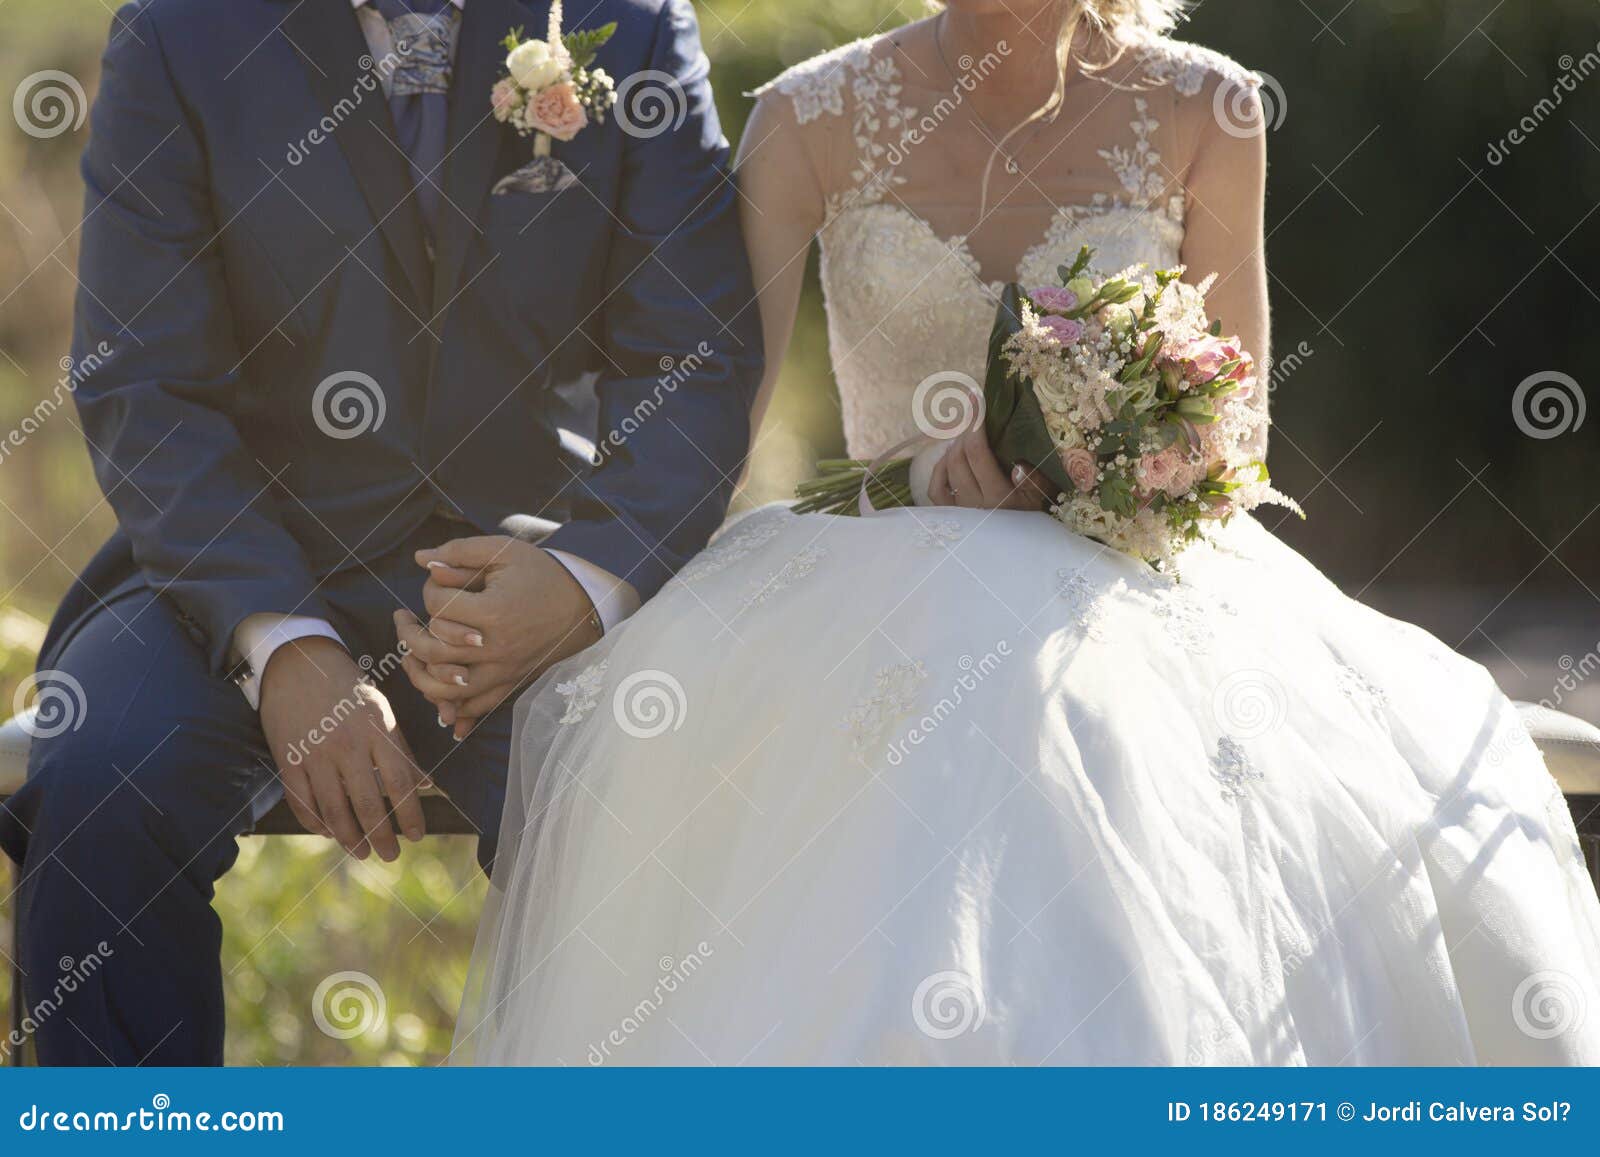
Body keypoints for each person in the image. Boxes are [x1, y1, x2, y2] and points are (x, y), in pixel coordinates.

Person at [441, 0, 1600, 1064]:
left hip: (1141, 567)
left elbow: (1236, 436)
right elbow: (714, 432)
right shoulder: (805, 117)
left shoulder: (1211, 109)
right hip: (872, 555)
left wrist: (1113, 464)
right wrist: (600, 571)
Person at [0, 0, 761, 1065]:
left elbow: (701, 356)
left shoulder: (623, 23)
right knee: (102, 778)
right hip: (234, 567)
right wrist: (283, 640)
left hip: (524, 571)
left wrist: (583, 577)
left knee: (658, 786)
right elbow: (144, 382)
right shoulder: (179, 33)